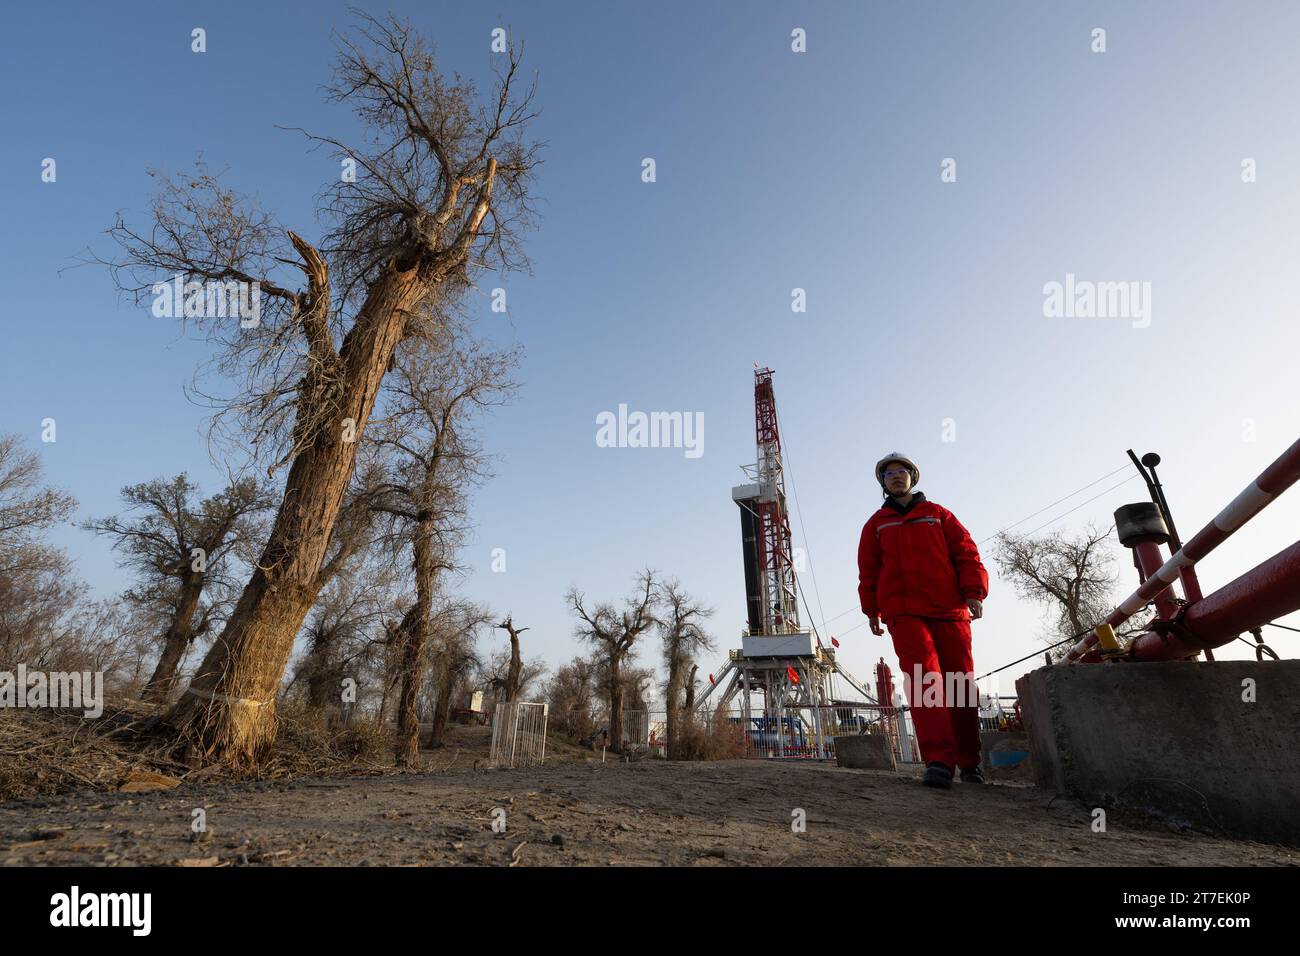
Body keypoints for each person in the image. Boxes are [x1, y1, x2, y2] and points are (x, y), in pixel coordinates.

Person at [857, 453, 989, 789]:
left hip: (949, 609)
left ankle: (970, 761)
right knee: (924, 679)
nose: (896, 476)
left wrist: (974, 591)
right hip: (904, 612)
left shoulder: (939, 516)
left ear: (913, 478)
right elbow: (869, 572)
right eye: (888, 473)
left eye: (902, 471)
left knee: (958, 682)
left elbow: (966, 553)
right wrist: (871, 610)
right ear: (883, 483)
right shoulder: (876, 524)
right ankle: (939, 761)